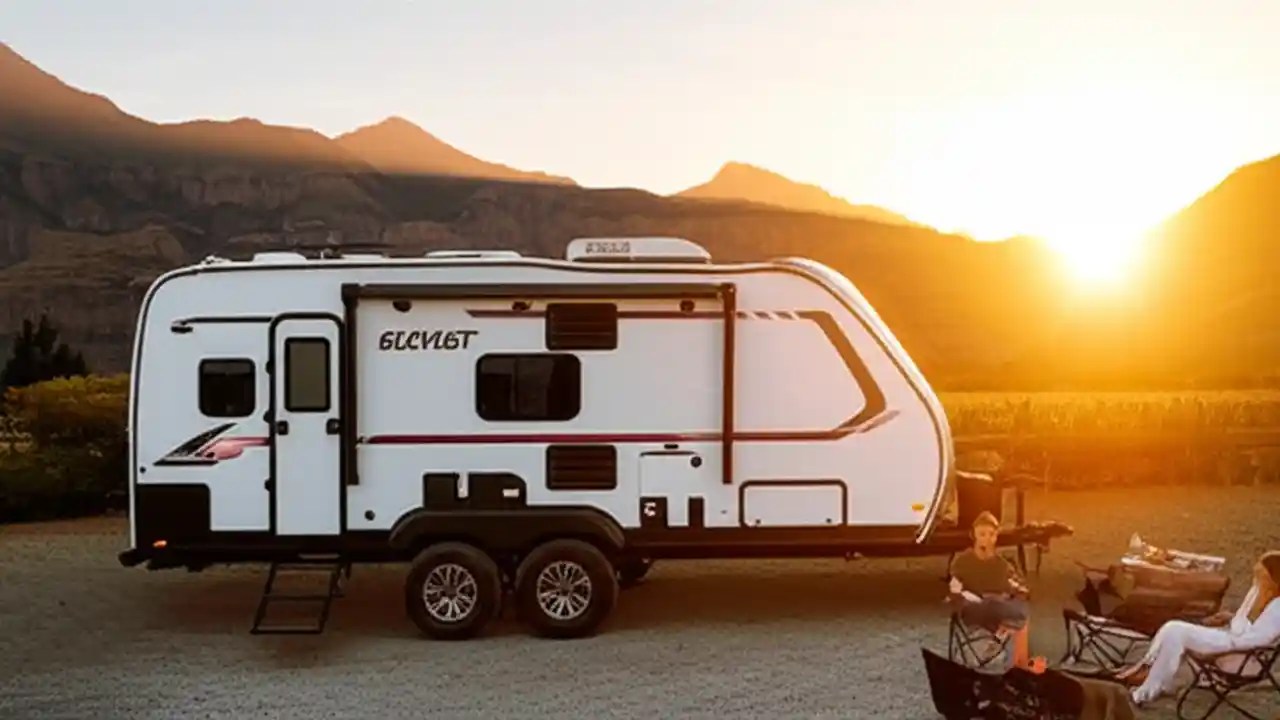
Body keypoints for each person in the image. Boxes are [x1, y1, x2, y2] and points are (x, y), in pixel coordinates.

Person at [1116, 550, 1280, 706]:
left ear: (1272, 577)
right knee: (1173, 628)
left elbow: (1258, 639)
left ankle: (1146, 685)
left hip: (1239, 648)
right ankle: (1149, 671)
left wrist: (1231, 638)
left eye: (1261, 575)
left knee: (1176, 631)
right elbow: (1246, 622)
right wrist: (1231, 620)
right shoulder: (1259, 592)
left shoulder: (1277, 608)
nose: (1256, 579)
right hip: (1232, 638)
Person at [948, 511, 1033, 669]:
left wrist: (1018, 589)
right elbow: (955, 583)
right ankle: (1002, 641)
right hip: (973, 607)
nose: (987, 538)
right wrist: (957, 590)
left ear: (996, 537)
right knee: (1003, 608)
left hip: (996, 606)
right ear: (974, 535)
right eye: (982, 534)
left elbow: (1010, 584)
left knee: (1020, 612)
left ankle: (1019, 664)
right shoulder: (963, 561)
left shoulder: (1001, 564)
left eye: (991, 534)